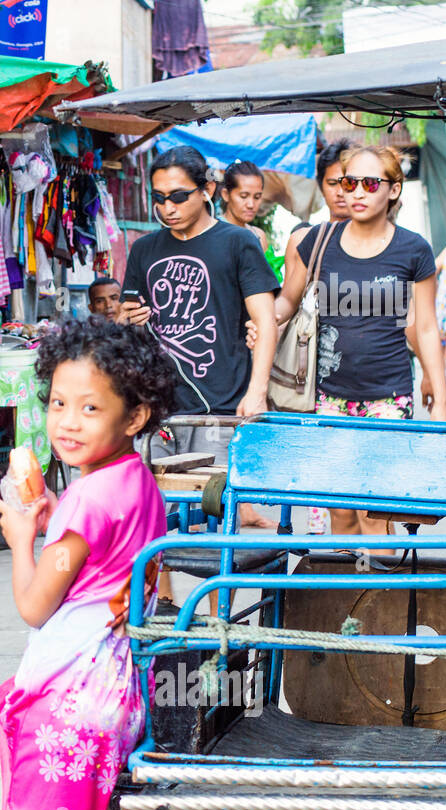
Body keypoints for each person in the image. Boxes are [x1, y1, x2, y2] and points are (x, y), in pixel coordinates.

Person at [0, 317, 175, 810]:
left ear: (135, 415)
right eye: (58, 405)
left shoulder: (86, 501)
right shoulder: (136, 479)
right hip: (117, 689)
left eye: (90, 408)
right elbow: (100, 558)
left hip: (72, 703)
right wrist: (53, 524)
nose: (68, 423)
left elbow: (34, 605)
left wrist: (22, 539)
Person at [274, 144, 446, 539]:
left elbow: (424, 327)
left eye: (370, 184)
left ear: (394, 189)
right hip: (327, 397)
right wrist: (269, 318)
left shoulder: (414, 249)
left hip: (388, 398)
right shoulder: (317, 241)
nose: (356, 192)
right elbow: (289, 297)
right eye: (349, 182)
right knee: (340, 510)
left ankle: (380, 597)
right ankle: (342, 597)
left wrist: (440, 400)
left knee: (376, 514)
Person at [121, 145, 279, 546]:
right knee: (154, 517)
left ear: (207, 189)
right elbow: (125, 324)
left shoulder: (237, 243)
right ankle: (166, 601)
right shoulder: (143, 250)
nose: (167, 207)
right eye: (158, 198)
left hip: (221, 405)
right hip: (159, 407)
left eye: (178, 196)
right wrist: (127, 319)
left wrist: (256, 393)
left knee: (216, 519)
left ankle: (215, 608)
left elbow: (265, 321)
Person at [245, 138, 357, 533]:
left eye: (352, 181)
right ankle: (333, 572)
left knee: (371, 504)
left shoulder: (392, 240)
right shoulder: (307, 239)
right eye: (333, 183)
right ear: (321, 186)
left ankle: (377, 581)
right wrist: (263, 321)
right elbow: (287, 301)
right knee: (329, 495)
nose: (343, 192)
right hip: (313, 384)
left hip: (376, 387)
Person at [219, 160, 269, 252]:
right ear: (226, 194)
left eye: (257, 197)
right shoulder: (211, 231)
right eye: (244, 196)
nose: (251, 205)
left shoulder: (259, 236)